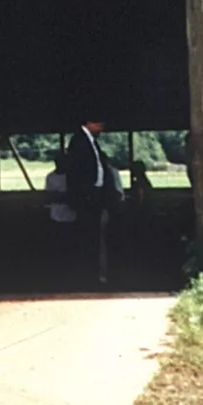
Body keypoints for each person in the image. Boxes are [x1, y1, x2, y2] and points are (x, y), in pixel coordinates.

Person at [59, 120, 123, 285]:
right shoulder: (79, 141)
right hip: (87, 196)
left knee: (94, 235)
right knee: (87, 235)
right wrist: (83, 193)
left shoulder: (91, 141)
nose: (102, 128)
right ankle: (86, 274)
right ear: (90, 123)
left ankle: (93, 273)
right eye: (99, 124)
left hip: (96, 195)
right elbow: (77, 171)